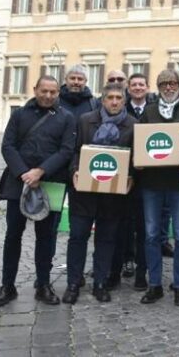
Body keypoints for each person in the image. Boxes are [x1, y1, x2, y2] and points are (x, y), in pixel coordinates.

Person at [0, 75, 76, 308]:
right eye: (44, 91)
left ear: (58, 93)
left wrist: (41, 171)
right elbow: (8, 145)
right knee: (13, 236)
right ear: (35, 89)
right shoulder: (19, 115)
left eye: (53, 92)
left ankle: (43, 284)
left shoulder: (67, 118)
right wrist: (24, 174)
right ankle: (7, 285)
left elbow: (67, 150)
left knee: (46, 238)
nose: (48, 96)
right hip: (19, 182)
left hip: (50, 182)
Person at [136, 69, 179, 306]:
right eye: (163, 83)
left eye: (173, 83)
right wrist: (139, 161)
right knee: (152, 235)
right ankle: (154, 284)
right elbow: (140, 142)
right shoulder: (149, 111)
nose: (168, 87)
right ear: (158, 86)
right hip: (152, 184)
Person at [63, 83, 135, 304]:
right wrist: (75, 170)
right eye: (110, 98)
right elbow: (74, 150)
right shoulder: (86, 120)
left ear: (124, 101)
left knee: (106, 239)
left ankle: (101, 282)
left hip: (113, 195)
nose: (114, 102)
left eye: (118, 98)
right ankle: (73, 282)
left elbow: (134, 158)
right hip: (84, 193)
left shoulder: (133, 125)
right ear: (102, 100)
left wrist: (131, 177)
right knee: (77, 237)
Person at [114, 73, 151, 291]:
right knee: (122, 225)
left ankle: (141, 271)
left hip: (145, 178)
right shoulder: (120, 107)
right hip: (122, 176)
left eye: (141, 84)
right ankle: (121, 264)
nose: (137, 87)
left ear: (147, 87)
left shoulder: (154, 109)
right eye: (134, 84)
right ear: (128, 87)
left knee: (145, 227)